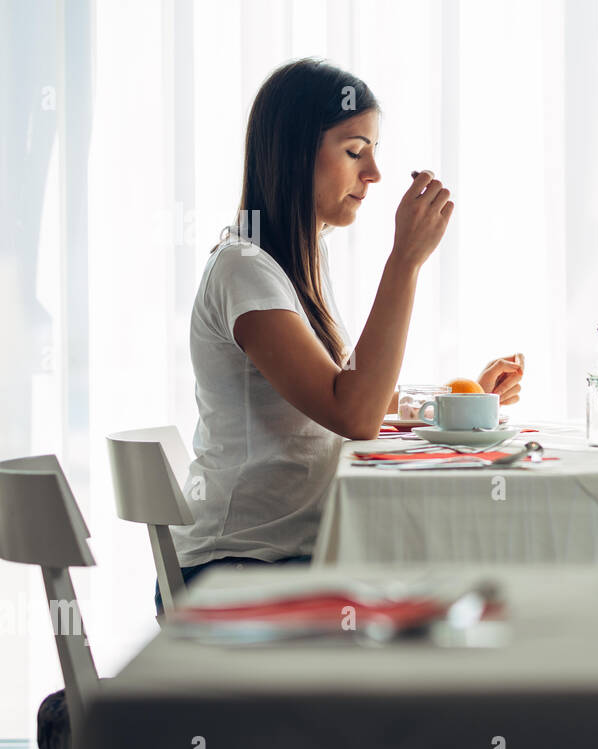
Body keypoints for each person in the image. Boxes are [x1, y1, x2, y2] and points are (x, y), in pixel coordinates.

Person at [164, 58, 524, 613]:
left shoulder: (297, 262)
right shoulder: (244, 269)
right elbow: (352, 413)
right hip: (236, 570)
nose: (375, 173)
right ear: (293, 153)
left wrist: (462, 403)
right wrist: (404, 261)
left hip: (291, 557)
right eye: (355, 151)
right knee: (457, 596)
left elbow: (349, 396)